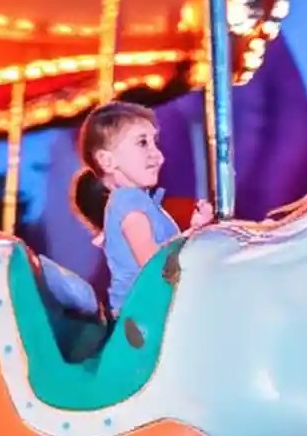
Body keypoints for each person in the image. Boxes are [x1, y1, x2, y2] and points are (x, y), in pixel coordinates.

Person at [71, 101, 213, 314]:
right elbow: (153, 264)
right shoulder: (129, 203)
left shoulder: (140, 201)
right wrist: (193, 232)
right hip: (144, 313)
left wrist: (195, 231)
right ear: (107, 161)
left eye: (154, 142)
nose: (158, 155)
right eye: (142, 143)